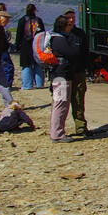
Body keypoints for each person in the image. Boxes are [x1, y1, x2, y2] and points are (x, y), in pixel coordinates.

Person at [48, 15, 82, 143]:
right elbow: (73, 53)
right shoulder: (60, 40)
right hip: (62, 75)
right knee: (61, 104)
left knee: (60, 103)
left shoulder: (55, 38)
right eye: (69, 25)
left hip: (59, 74)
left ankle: (57, 131)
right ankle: (57, 133)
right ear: (64, 26)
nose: (71, 27)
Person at [62, 9, 91, 137]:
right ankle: (58, 128)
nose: (71, 20)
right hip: (63, 73)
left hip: (79, 71)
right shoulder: (59, 34)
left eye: (73, 17)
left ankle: (80, 127)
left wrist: (87, 68)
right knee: (61, 101)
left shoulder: (80, 33)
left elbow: (85, 52)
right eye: (69, 18)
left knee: (79, 99)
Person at [16, 5, 47, 90]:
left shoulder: (22, 20)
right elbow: (43, 33)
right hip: (38, 44)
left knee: (26, 65)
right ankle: (39, 84)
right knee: (38, 64)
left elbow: (19, 34)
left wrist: (17, 45)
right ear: (34, 10)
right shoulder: (38, 20)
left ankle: (27, 85)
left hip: (25, 45)